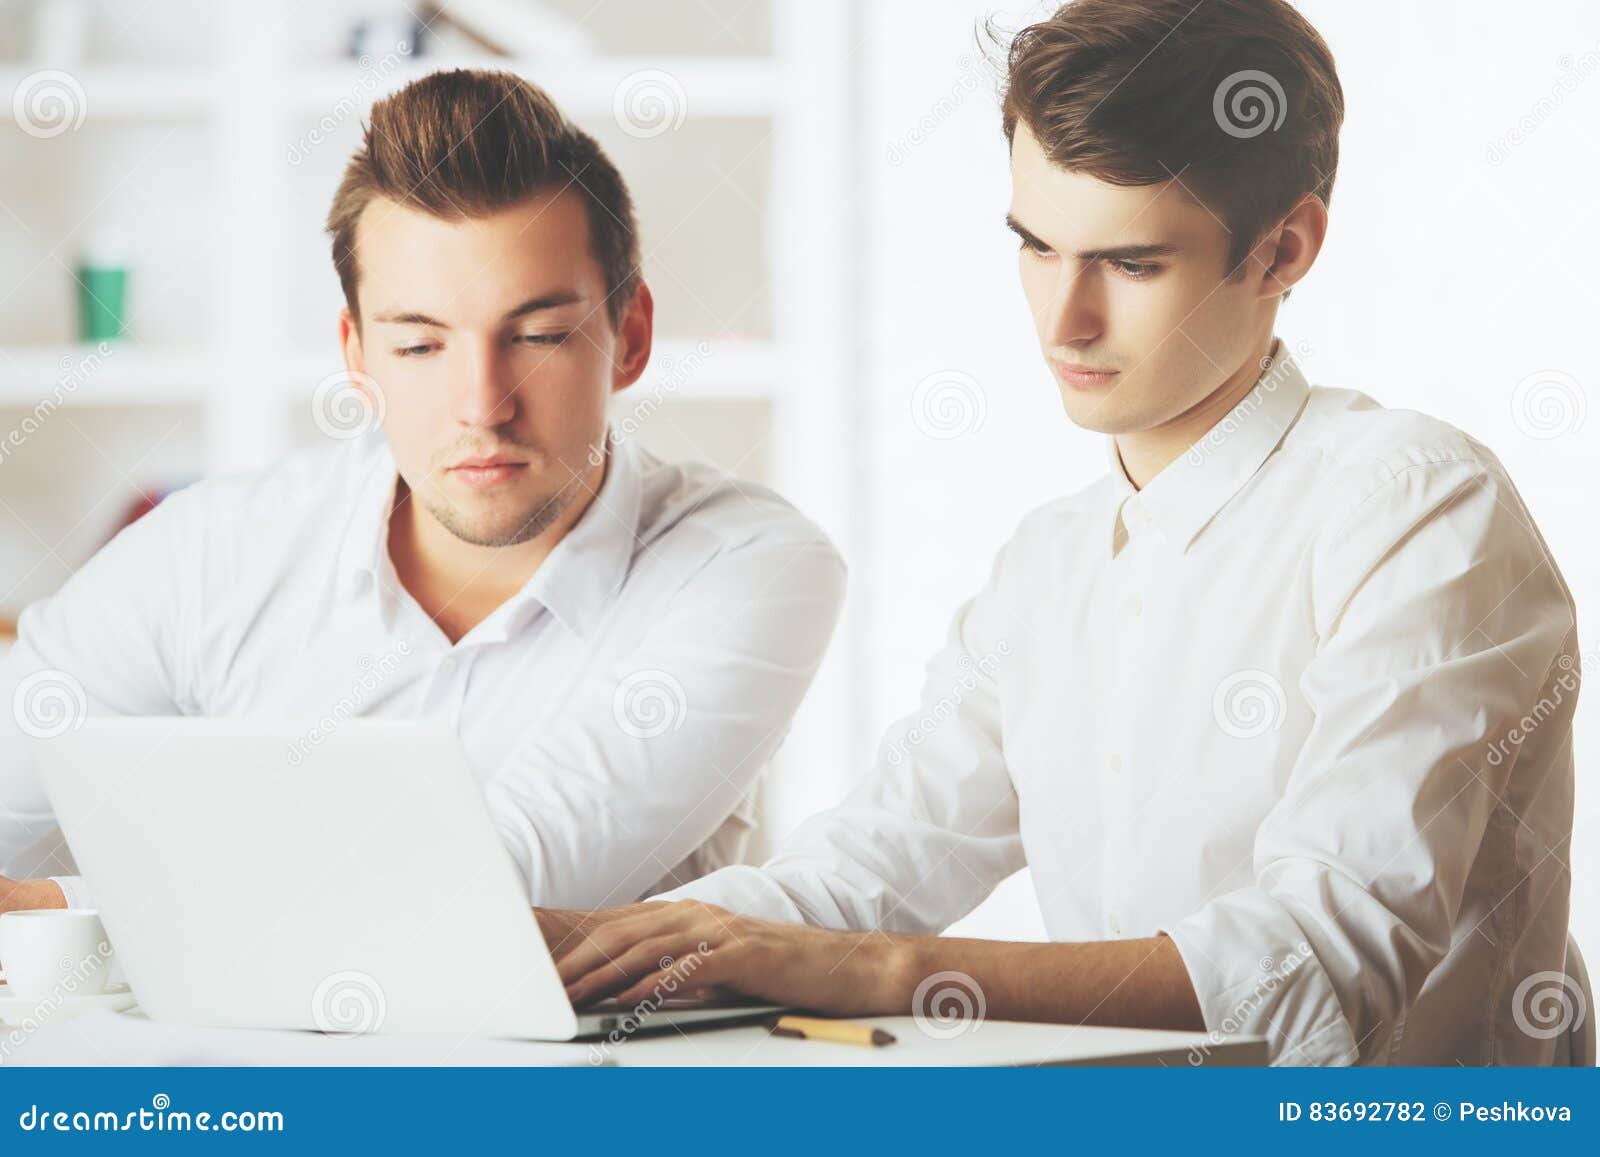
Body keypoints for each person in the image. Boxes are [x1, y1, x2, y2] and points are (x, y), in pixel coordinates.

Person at [549, 0, 1578, 1066]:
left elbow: (1314, 958)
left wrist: (887, 971)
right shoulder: (1050, 563)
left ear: (1283, 249)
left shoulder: (1416, 507)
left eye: (1130, 264)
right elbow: (866, 864)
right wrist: (548, 942)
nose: (1061, 321)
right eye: (1036, 245)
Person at [0, 70, 844, 916]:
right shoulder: (210, 550)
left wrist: (62, 906)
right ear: (358, 355)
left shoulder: (747, 566)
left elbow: (483, 887)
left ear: (631, 338)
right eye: (419, 347)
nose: (483, 404)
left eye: (540, 336)